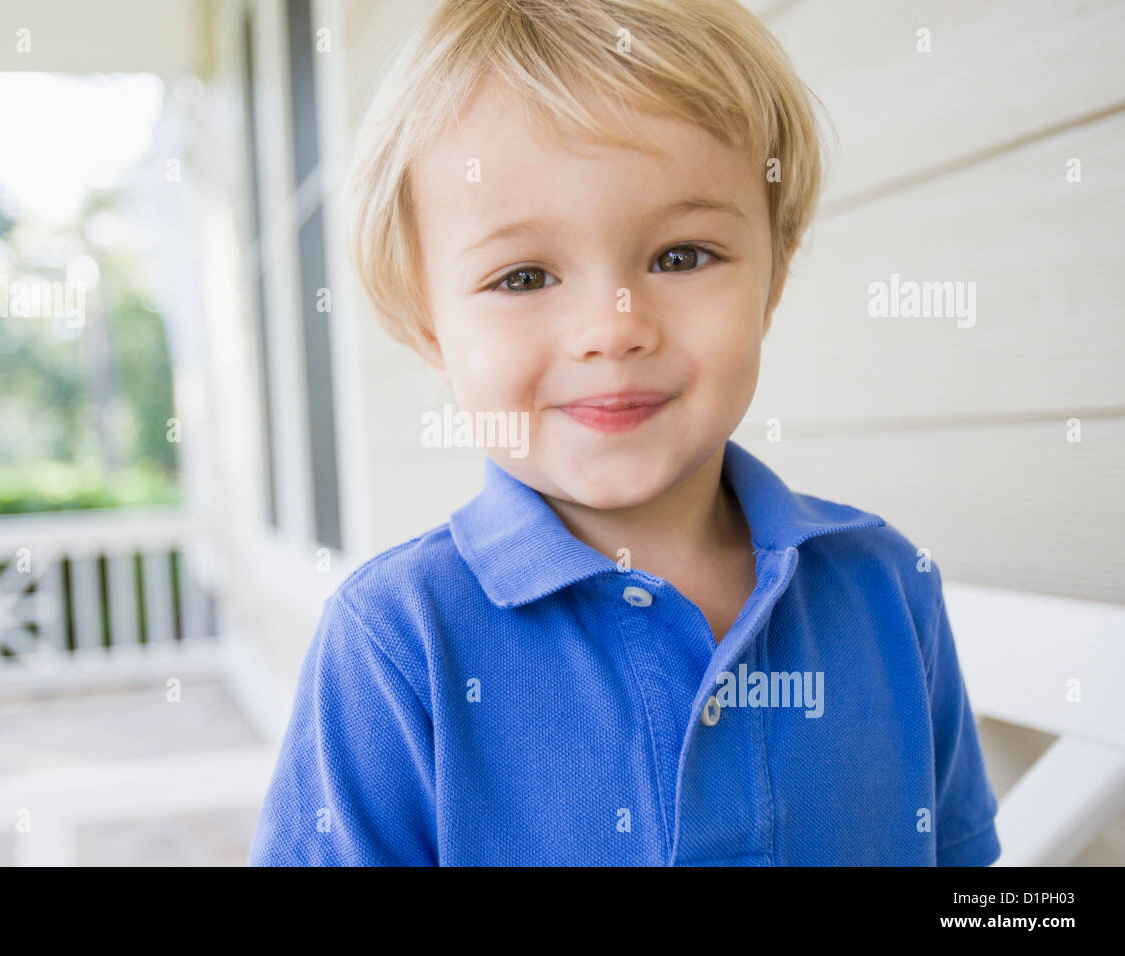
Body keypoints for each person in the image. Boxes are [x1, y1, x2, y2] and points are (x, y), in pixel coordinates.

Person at [248, 0, 1000, 866]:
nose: (613, 328)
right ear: (429, 328)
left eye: (681, 256)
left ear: (775, 275)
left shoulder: (884, 588)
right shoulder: (395, 644)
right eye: (524, 275)